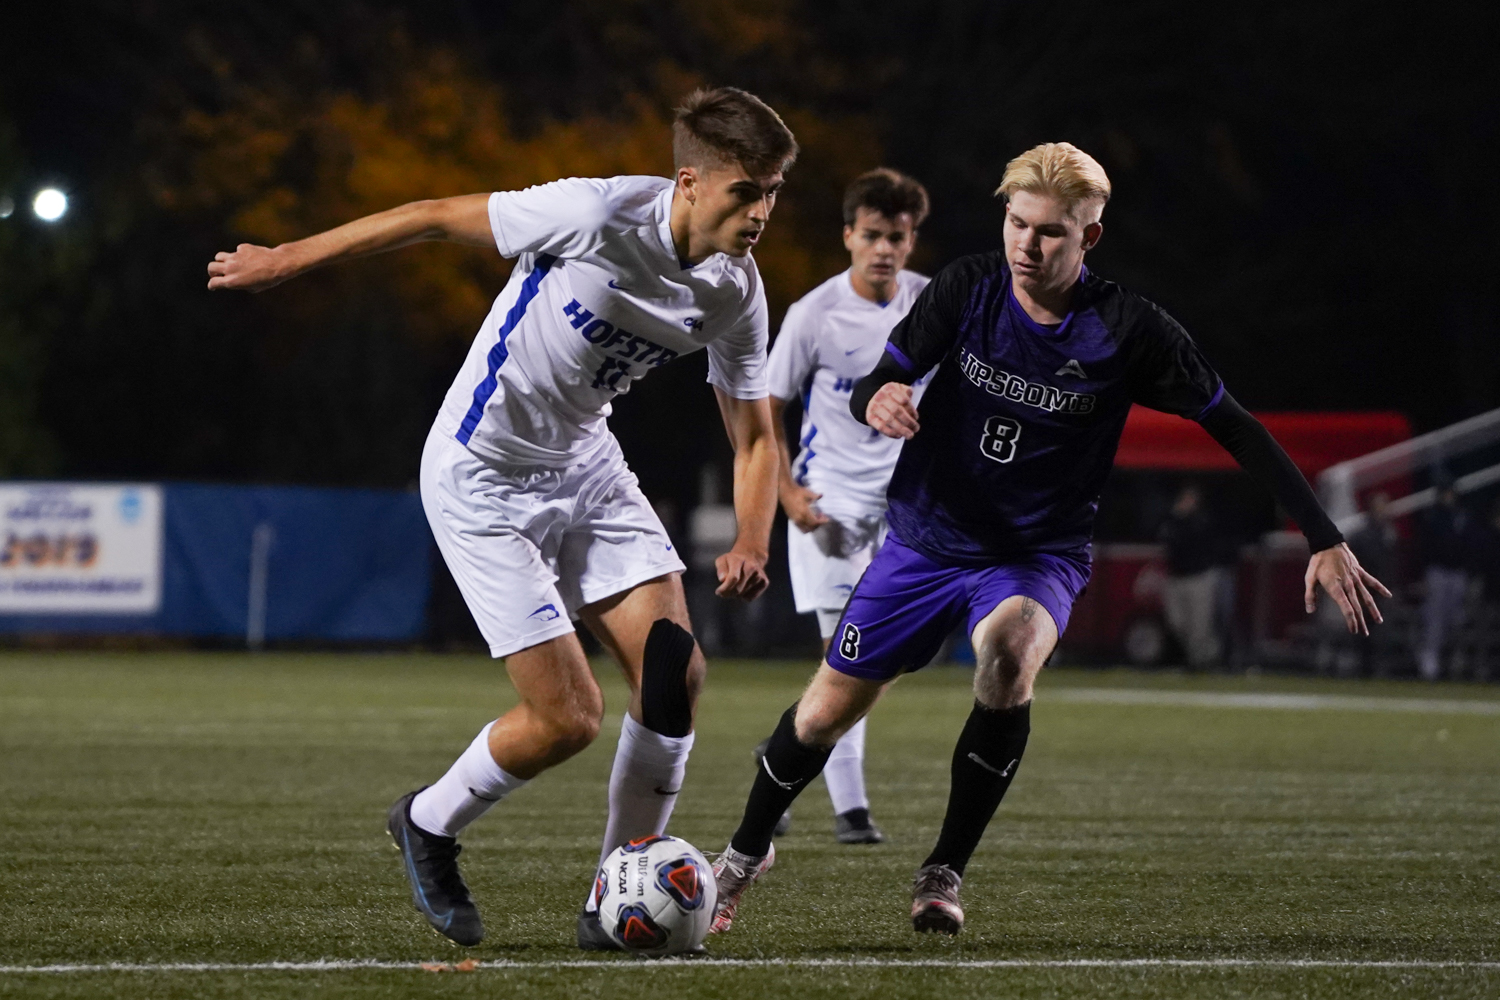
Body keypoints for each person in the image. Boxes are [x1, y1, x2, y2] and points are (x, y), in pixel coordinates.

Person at [707, 142, 1389, 938]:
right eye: (1017, 224)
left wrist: (1322, 535)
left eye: (1051, 233)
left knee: (1009, 653)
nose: (1028, 246)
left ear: (1089, 237)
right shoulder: (965, 289)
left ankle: (943, 868)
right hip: (926, 541)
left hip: (1037, 554)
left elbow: (1234, 426)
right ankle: (744, 856)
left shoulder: (1128, 330)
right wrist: (879, 399)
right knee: (822, 714)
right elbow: (873, 382)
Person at [207, 87, 794, 950]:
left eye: (775, 191)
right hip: (480, 472)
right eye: (748, 191)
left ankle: (611, 898)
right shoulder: (595, 214)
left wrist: (752, 536)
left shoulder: (736, 291)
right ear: (690, 182)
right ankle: (429, 822)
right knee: (569, 719)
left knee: (676, 672)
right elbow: (435, 214)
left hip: (587, 468)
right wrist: (288, 259)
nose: (763, 212)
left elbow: (754, 438)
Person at [760, 167, 934, 845]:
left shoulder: (930, 304)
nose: (883, 248)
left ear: (910, 240)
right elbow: (764, 407)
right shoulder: (814, 313)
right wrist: (785, 493)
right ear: (848, 238)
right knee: (847, 653)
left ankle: (788, 750)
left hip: (911, 511)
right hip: (831, 504)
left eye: (895, 236)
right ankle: (851, 811)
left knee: (883, 657)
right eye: (871, 235)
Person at [1158, 483, 1224, 668]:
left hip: (1199, 577)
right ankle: (1202, 657)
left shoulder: (1202, 520)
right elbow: (1166, 540)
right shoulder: (1172, 520)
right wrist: (1176, 518)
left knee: (1200, 625)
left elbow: (1198, 541)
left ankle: (1203, 661)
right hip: (1176, 578)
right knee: (1176, 622)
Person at [1418, 482, 1471, 680]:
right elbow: (1424, 548)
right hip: (1438, 572)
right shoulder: (1432, 517)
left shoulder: (1461, 516)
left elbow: (1469, 545)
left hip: (1458, 573)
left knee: (1457, 619)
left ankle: (1454, 659)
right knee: (1435, 618)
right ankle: (1430, 658)